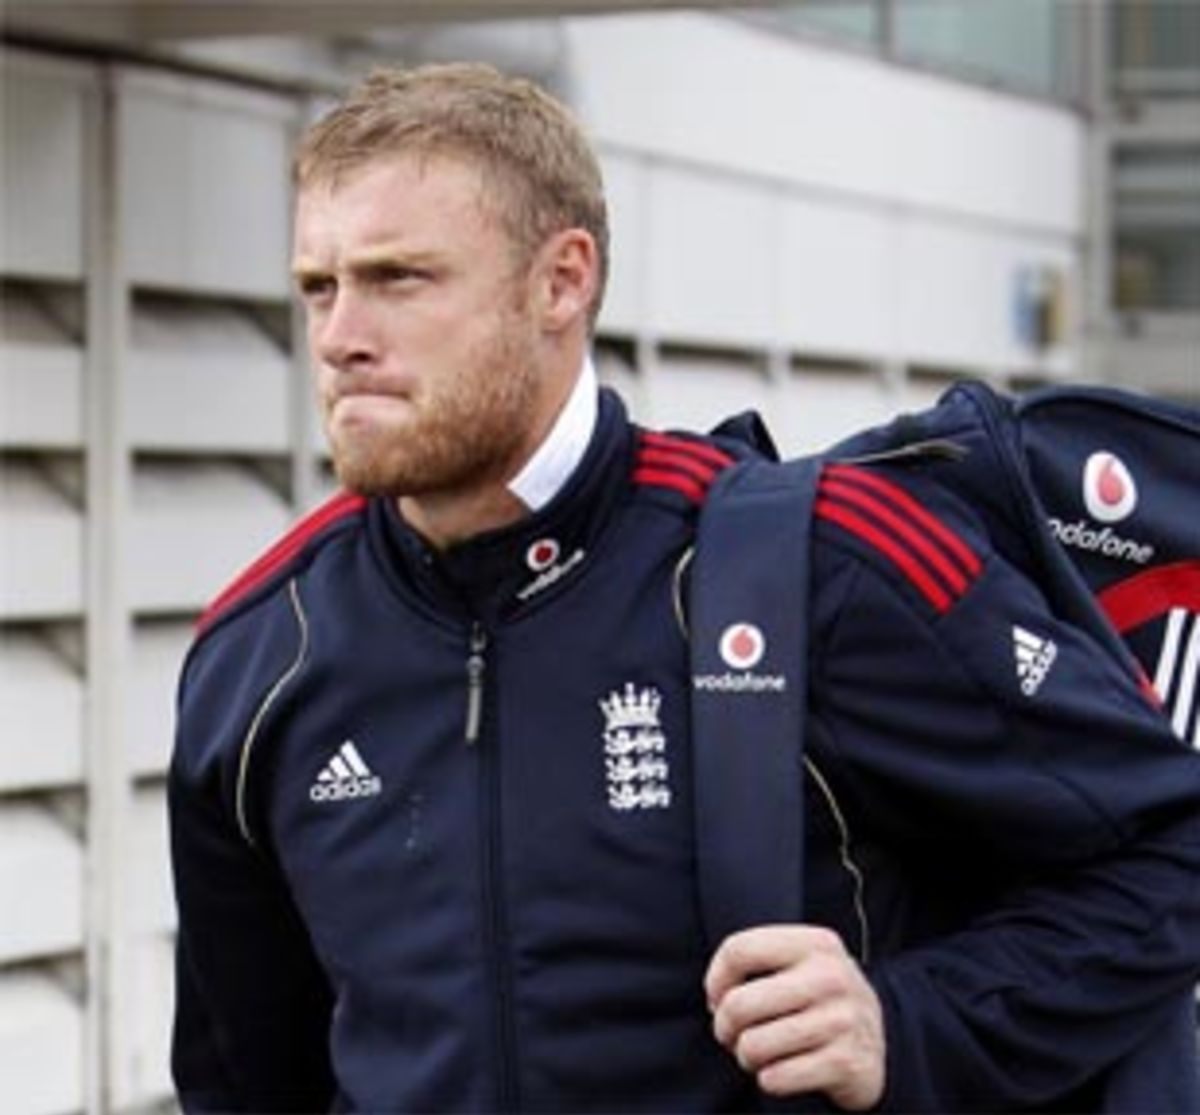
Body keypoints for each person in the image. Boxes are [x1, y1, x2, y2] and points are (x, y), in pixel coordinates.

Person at [168, 62, 1200, 1113]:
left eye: (398, 278)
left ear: (561, 281)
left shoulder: (820, 562)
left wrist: (911, 1023)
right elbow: (244, 1084)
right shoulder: (257, 654)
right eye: (319, 285)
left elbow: (1169, 844)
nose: (340, 336)